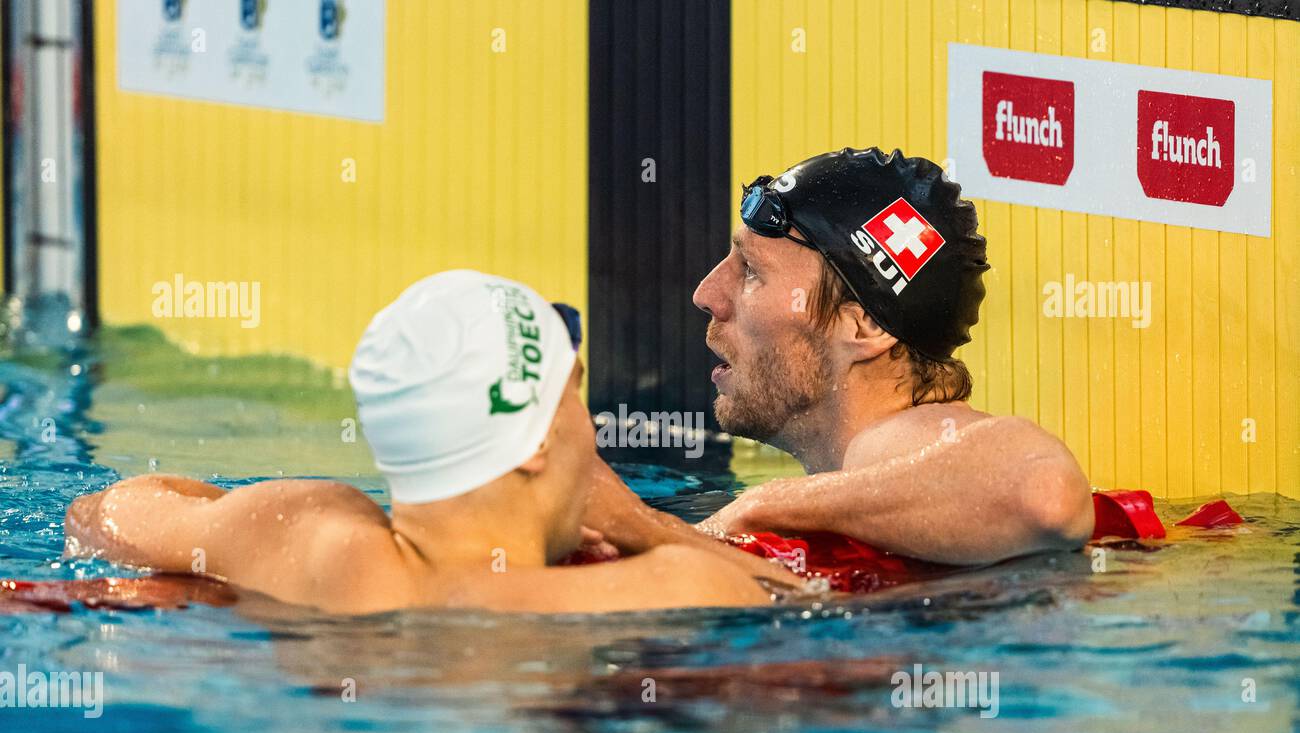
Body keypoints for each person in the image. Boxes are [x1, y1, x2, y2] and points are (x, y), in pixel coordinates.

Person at [63, 271, 802, 615]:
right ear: (537, 439)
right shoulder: (669, 585)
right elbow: (809, 605)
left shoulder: (312, 537)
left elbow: (101, 515)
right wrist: (643, 525)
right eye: (571, 392)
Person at [690, 147, 1094, 565]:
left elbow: (1045, 491)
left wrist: (762, 506)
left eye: (752, 271)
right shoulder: (874, 481)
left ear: (865, 327)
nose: (706, 295)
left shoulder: (889, 442)